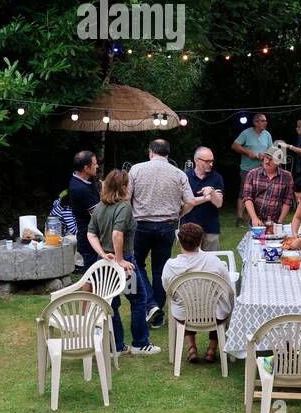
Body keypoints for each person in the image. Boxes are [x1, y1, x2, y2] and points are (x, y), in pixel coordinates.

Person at [85, 169, 160, 356]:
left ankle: (116, 346)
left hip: (103, 265)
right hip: (123, 264)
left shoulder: (100, 206)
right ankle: (140, 343)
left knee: (111, 303)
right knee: (138, 299)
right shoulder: (124, 206)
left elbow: (91, 233)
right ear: (125, 186)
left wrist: (102, 254)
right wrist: (120, 259)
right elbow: (117, 234)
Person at [127, 138, 195, 327]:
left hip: (141, 224)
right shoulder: (178, 173)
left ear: (151, 151)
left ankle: (149, 305)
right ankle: (156, 309)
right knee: (160, 269)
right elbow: (190, 201)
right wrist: (179, 213)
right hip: (167, 225)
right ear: (168, 153)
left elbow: (126, 197)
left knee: (135, 265)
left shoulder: (136, 170)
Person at [161, 222, 234, 365]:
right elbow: (228, 287)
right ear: (200, 241)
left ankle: (192, 347)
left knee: (186, 303)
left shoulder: (170, 265)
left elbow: (168, 289)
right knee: (221, 303)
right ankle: (212, 349)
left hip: (185, 316)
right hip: (214, 316)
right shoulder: (215, 262)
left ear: (179, 241)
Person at [231, 113, 272, 225]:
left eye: (265, 120)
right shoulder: (246, 133)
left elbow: (270, 151)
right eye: (263, 121)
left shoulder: (267, 134)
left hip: (262, 169)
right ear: (256, 123)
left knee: (259, 193)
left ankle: (253, 217)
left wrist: (265, 156)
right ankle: (239, 218)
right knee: (244, 193)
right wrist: (248, 152)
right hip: (247, 169)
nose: (265, 123)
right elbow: (234, 145)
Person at [241, 145, 293, 228]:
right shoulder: (252, 174)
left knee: (277, 241)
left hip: (276, 220)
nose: (267, 161)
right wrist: (254, 218)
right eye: (266, 157)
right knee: (256, 241)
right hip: (257, 219)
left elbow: (287, 200)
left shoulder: (287, 176)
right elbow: (247, 197)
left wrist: (280, 221)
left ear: (278, 162)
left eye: (271, 159)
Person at [184, 146, 225, 250]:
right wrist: (206, 198)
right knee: (191, 262)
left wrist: (212, 193)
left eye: (212, 161)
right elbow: (184, 203)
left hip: (211, 228)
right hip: (189, 229)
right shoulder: (185, 177)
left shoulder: (216, 177)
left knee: (210, 263)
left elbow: (219, 203)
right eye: (207, 161)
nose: (211, 164)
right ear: (196, 160)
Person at [69, 150, 102, 264]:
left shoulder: (85, 180)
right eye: (94, 164)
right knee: (94, 277)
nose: (97, 166)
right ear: (86, 168)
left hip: (91, 236)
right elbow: (98, 214)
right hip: (89, 239)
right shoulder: (80, 189)